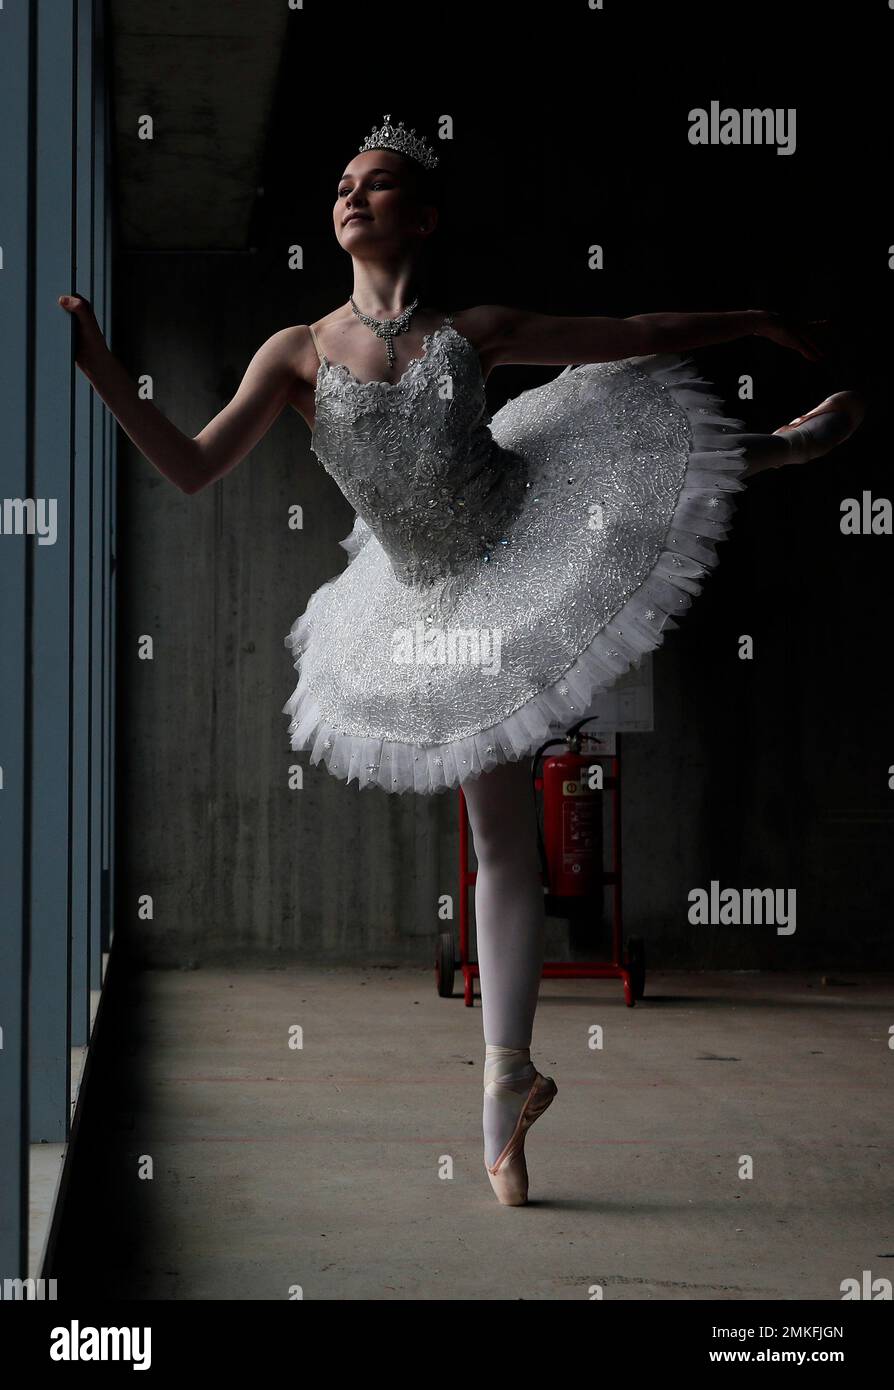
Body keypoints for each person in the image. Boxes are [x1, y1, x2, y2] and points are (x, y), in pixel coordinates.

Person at [60, 115, 867, 1207]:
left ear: (421, 217)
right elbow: (195, 466)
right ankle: (511, 1084)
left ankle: (774, 446)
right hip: (423, 598)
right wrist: (106, 371)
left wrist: (755, 318)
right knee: (500, 839)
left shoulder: (471, 331)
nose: (353, 194)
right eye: (343, 181)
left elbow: (630, 330)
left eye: (380, 182)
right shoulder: (295, 351)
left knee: (626, 466)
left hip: (521, 530)